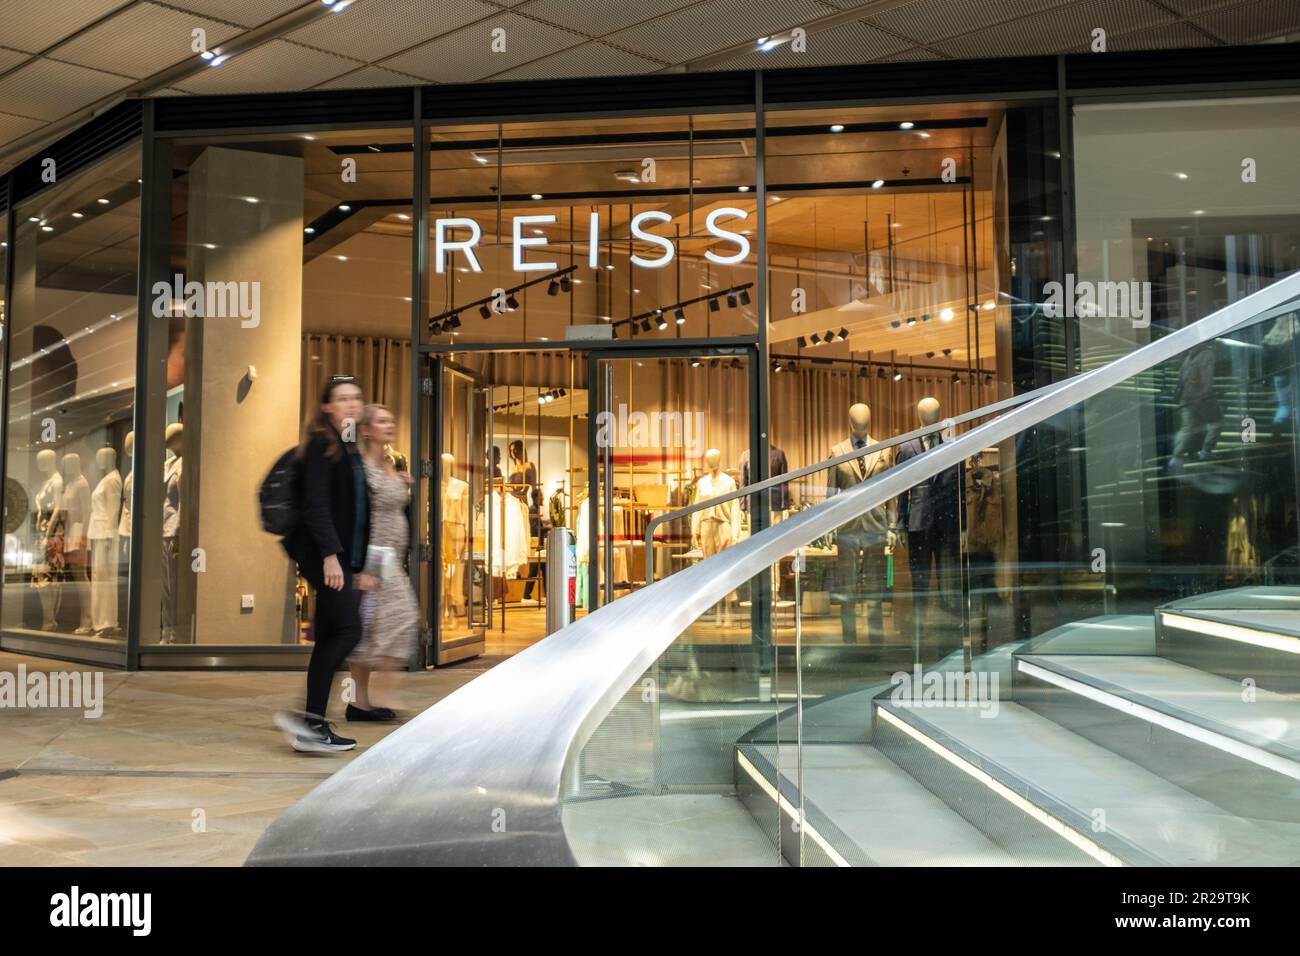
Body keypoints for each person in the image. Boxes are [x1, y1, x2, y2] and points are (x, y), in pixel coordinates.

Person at [275, 375, 370, 753]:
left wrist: (359, 563)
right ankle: (308, 721)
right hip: (324, 556)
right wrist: (332, 557)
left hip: (342, 557)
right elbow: (316, 504)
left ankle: (311, 724)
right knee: (348, 631)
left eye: (356, 398)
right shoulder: (320, 443)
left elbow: (354, 509)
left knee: (332, 637)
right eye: (342, 398)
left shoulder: (347, 444)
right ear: (327, 406)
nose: (350, 404)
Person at [347, 404, 419, 720]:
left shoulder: (393, 465)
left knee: (373, 625)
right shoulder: (361, 469)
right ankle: (373, 695)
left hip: (390, 557)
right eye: (381, 421)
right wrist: (364, 567)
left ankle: (361, 701)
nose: (389, 424)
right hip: (375, 556)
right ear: (366, 430)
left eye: (391, 419)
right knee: (396, 618)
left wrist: (403, 484)